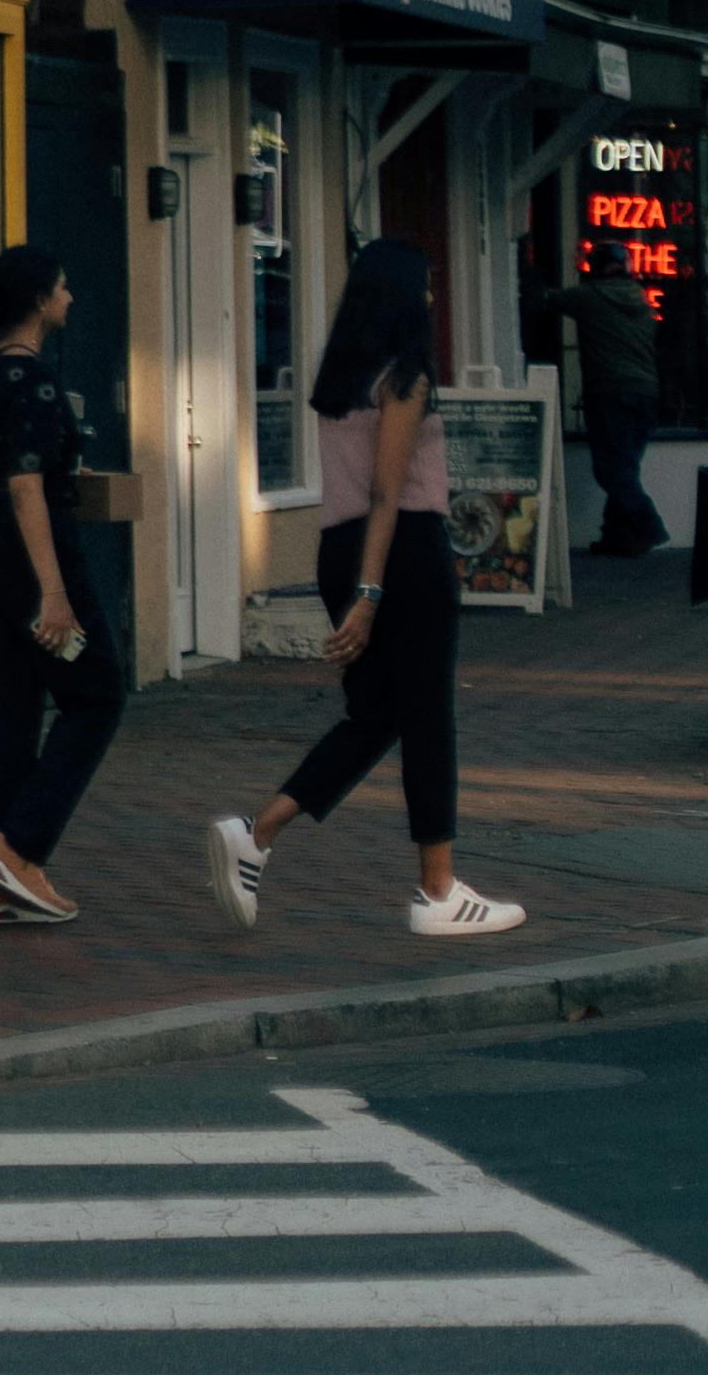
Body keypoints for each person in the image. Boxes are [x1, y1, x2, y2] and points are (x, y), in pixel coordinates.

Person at [207, 235, 524, 940]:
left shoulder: (342, 375)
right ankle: (438, 890)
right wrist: (371, 595)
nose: (434, 298)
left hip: (339, 547)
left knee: (376, 715)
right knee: (428, 718)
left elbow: (361, 495)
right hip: (402, 550)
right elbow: (388, 493)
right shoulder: (404, 376)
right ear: (404, 296)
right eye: (427, 285)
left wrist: (358, 585)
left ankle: (255, 836)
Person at [0, 239, 124, 925]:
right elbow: (28, 488)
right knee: (97, 693)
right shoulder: (37, 379)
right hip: (30, 555)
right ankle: (13, 847)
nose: (71, 297)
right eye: (64, 287)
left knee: (13, 719)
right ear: (41, 301)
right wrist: (53, 594)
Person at [571, 238, 666, 559]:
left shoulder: (588, 297)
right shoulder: (642, 301)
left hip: (609, 392)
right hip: (646, 392)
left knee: (611, 470)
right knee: (625, 466)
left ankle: (649, 525)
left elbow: (543, 299)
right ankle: (617, 538)